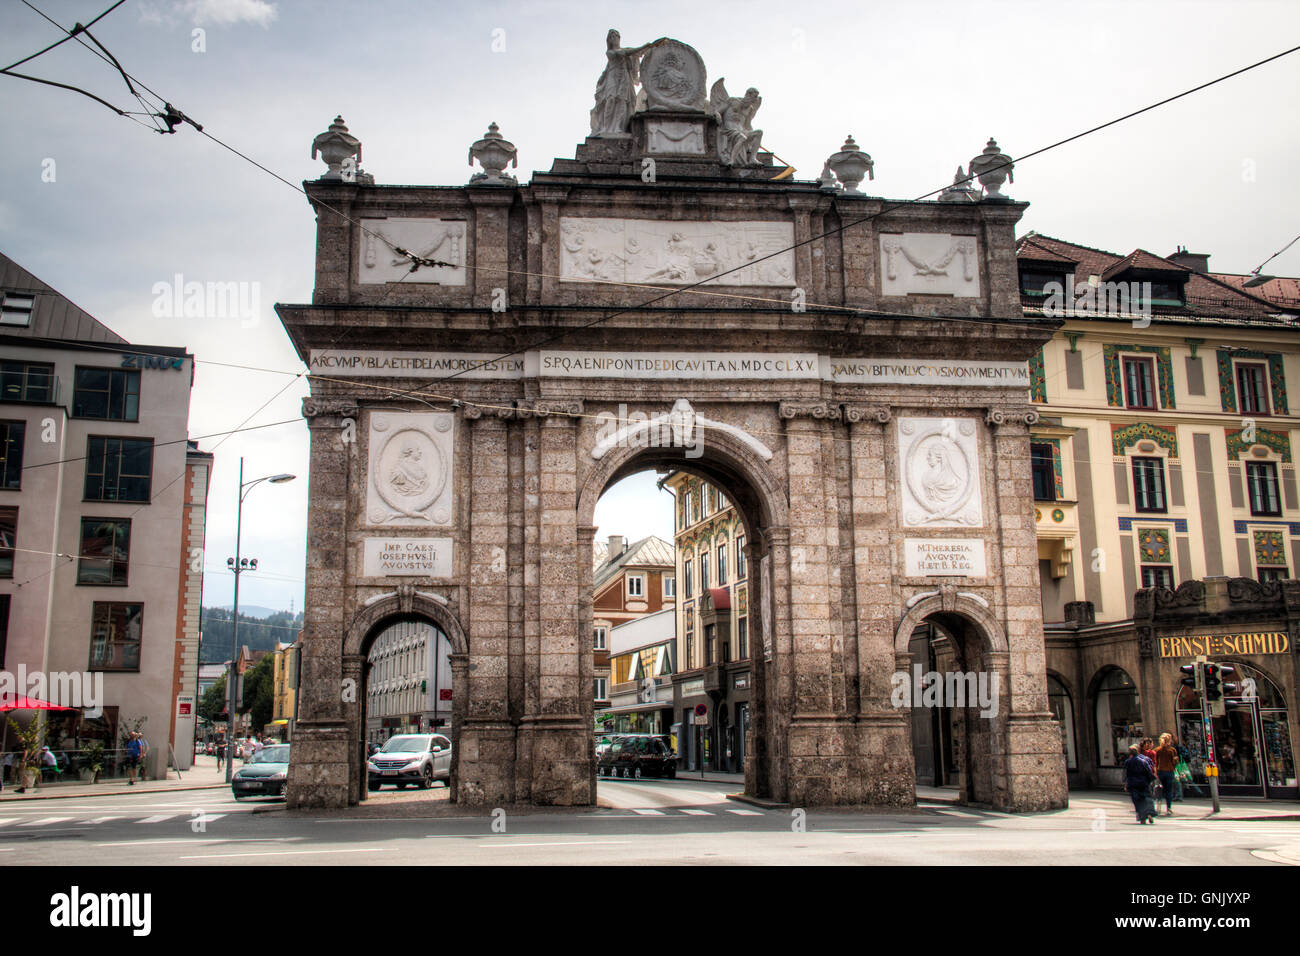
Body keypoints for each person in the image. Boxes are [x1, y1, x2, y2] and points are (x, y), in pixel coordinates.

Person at [1123, 744, 1157, 824]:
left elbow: (1126, 774)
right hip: (1143, 782)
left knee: (1137, 800)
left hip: (1133, 783)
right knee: (1146, 798)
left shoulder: (1128, 762)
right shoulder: (1143, 761)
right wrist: (1151, 780)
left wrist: (1126, 784)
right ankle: (1149, 813)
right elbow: (1148, 772)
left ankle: (1142, 817)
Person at [1154, 733, 1178, 815]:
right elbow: (1174, 762)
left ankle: (1158, 807)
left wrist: (1155, 771)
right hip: (1169, 771)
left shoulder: (1157, 750)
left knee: (1159, 789)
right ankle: (1169, 808)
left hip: (1160, 771)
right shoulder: (1172, 750)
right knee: (1168, 790)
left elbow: (1155, 762)